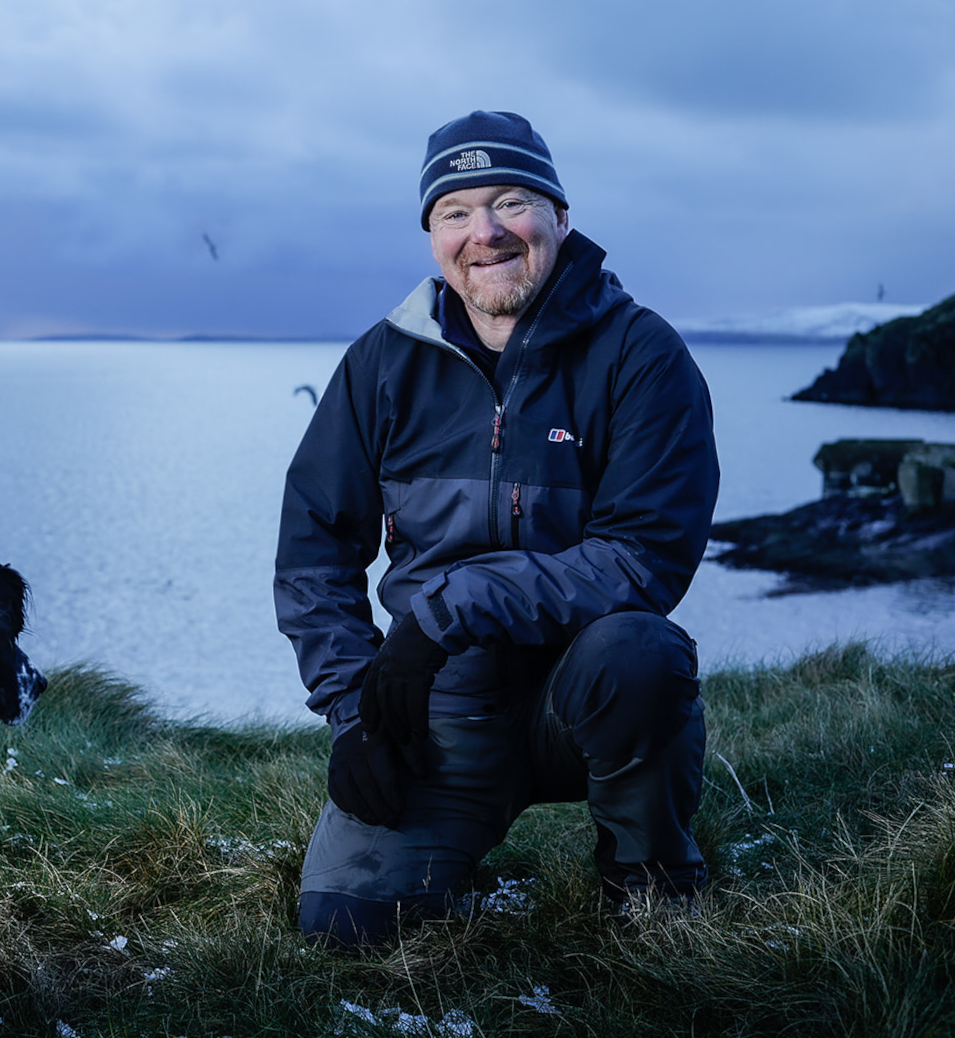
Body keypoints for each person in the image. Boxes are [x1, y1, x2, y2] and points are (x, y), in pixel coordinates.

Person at [274, 111, 719, 946]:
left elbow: (643, 558)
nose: (485, 233)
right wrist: (350, 711)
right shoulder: (380, 362)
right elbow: (313, 551)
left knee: (641, 653)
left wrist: (445, 612)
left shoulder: (642, 356)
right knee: (347, 931)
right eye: (455, 212)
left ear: (558, 216)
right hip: (439, 714)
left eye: (512, 202)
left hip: (580, 690)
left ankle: (646, 875)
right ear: (432, 236)